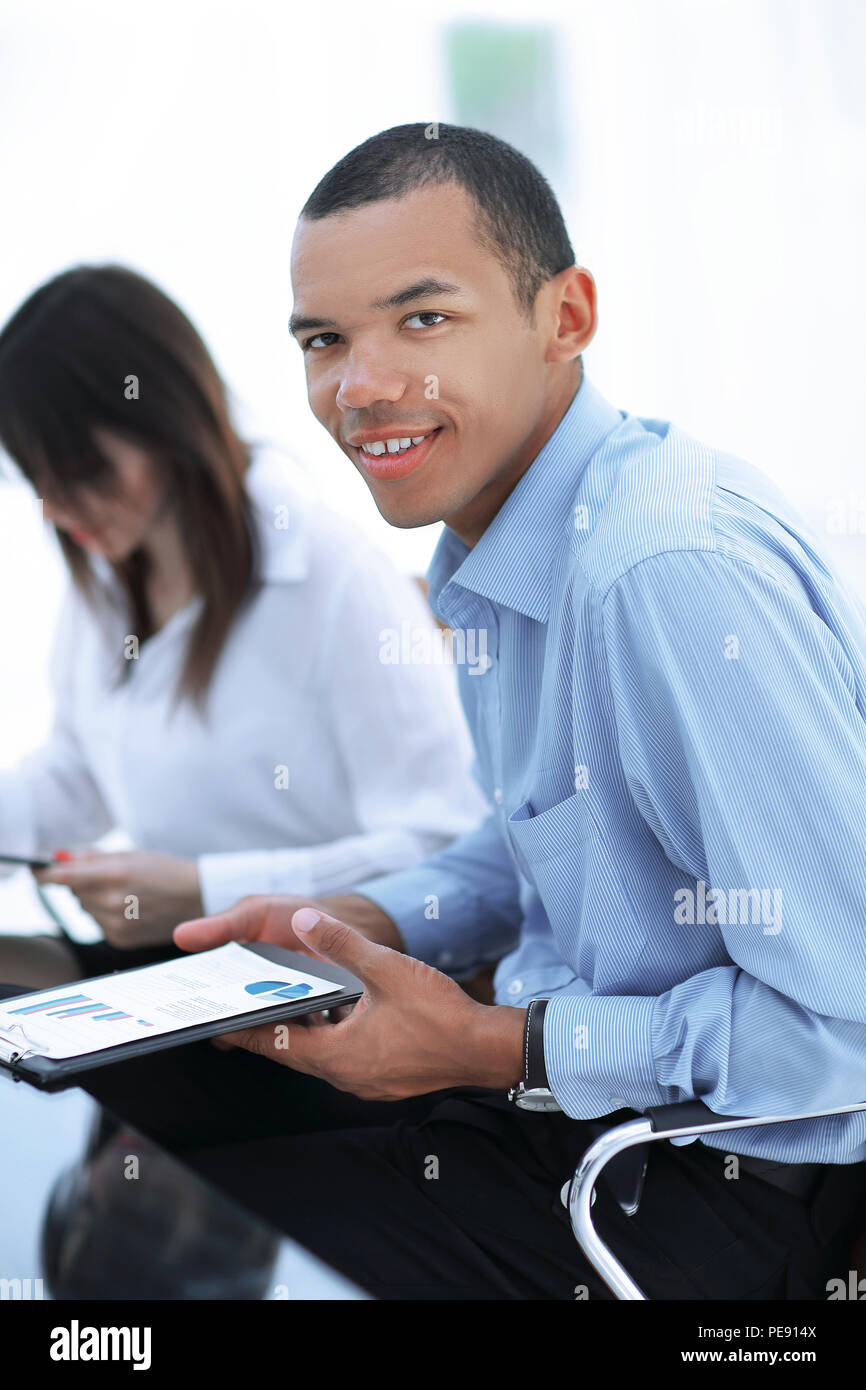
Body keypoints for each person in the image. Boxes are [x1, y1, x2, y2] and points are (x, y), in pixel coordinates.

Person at [8, 123, 866, 1301]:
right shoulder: (498, 552)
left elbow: (850, 1028)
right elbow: (535, 851)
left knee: (167, 1249)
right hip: (554, 1119)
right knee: (130, 1088)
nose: (358, 389)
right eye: (324, 340)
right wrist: (351, 916)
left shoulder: (660, 575)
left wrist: (489, 1046)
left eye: (422, 319)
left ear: (563, 316)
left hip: (692, 1199)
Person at [0, 263, 487, 989]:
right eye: (38, 481)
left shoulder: (331, 577)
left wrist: (206, 889)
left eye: (85, 471)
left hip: (325, 999)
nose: (58, 509)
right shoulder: (105, 583)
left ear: (166, 421)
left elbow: (442, 843)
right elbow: (78, 775)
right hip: (194, 974)